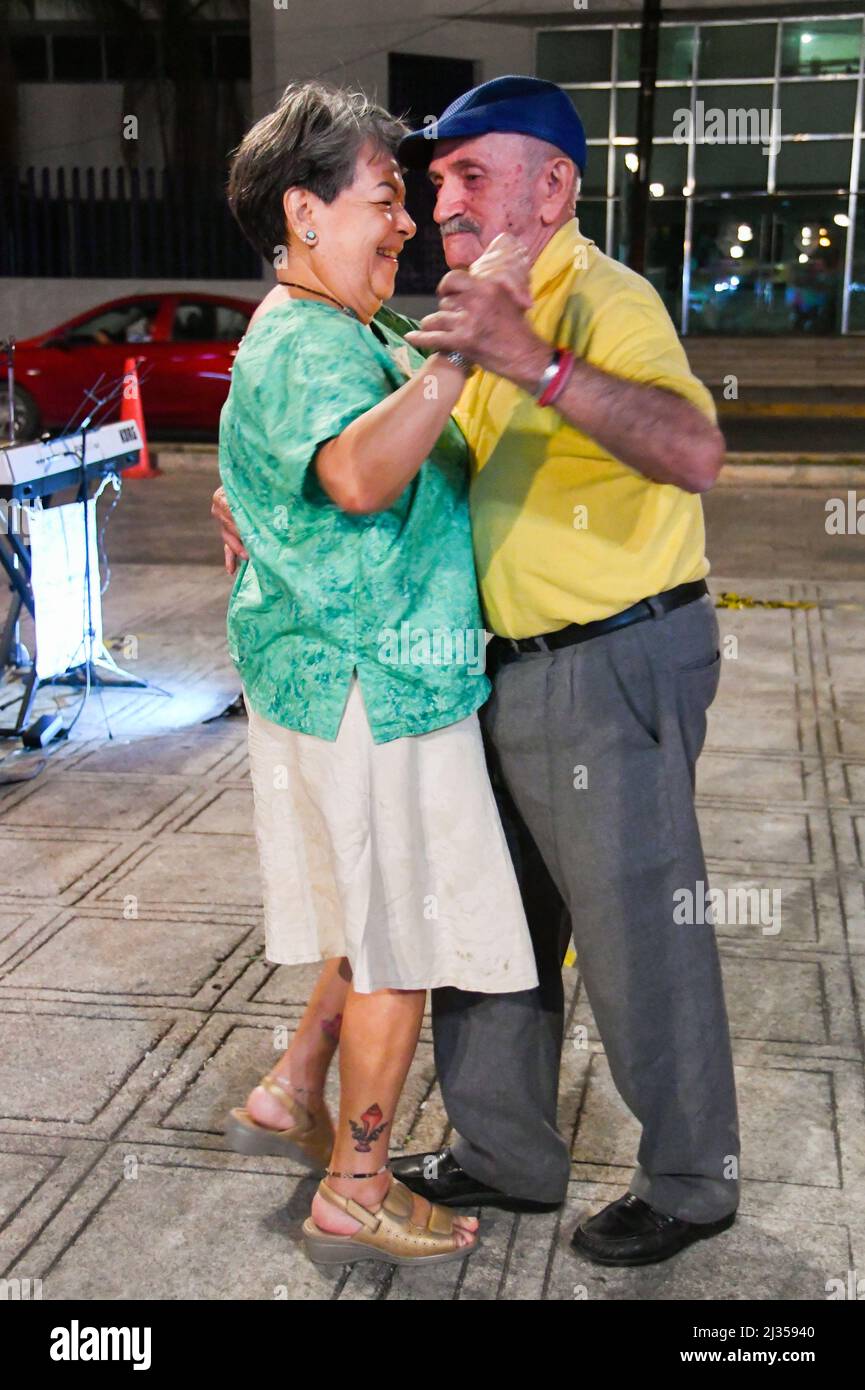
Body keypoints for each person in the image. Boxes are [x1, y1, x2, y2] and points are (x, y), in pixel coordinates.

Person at [214, 75, 740, 1269]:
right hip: (473, 669)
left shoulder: (605, 300)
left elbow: (694, 447)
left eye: (467, 174)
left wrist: (537, 362)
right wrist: (245, 488)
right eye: (426, 180)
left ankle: (689, 1177)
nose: (439, 202)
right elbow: (328, 433)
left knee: (631, 928)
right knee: (480, 923)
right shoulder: (427, 309)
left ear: (553, 185)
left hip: (606, 657)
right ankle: (506, 1152)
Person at [217, 79, 540, 1269]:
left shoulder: (338, 325)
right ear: (305, 213)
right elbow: (356, 474)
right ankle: (356, 1182)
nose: (403, 222)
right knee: (400, 938)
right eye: (383, 198)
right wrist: (457, 361)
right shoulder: (308, 334)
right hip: (375, 684)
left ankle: (296, 1084)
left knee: (370, 910)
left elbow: (290, 472)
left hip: (354, 673)